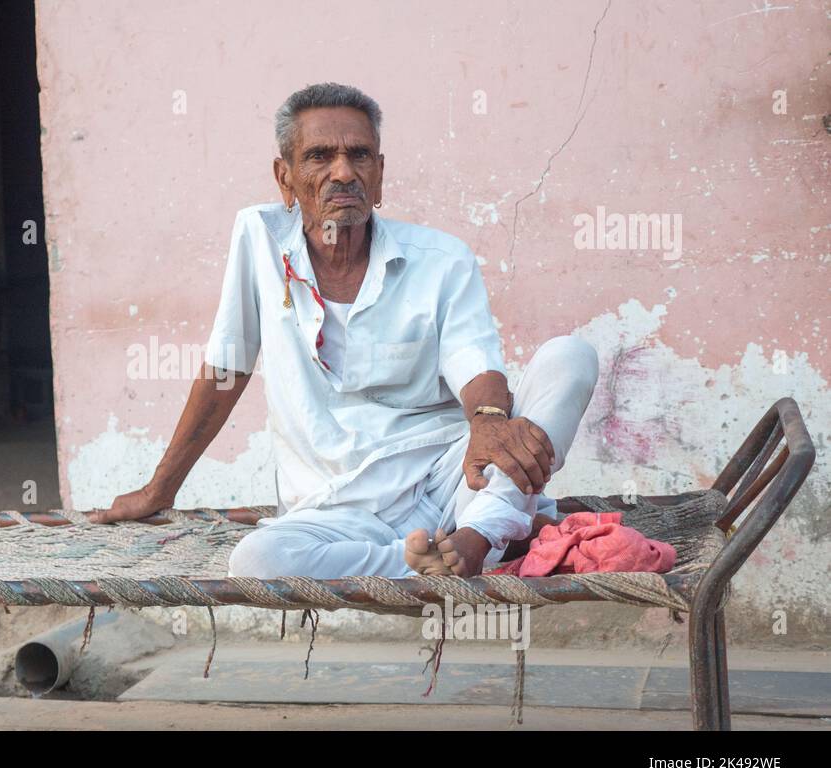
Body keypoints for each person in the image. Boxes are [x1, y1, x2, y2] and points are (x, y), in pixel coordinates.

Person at [89, 82, 598, 579]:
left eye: (360, 156)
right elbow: (227, 368)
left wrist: (487, 421)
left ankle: (480, 538)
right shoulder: (260, 240)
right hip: (335, 508)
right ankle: (445, 556)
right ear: (284, 177)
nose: (343, 173)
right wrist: (160, 489)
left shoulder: (441, 259)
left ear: (379, 176)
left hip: (451, 479)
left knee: (569, 357)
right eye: (319, 157)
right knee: (258, 560)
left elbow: (475, 361)